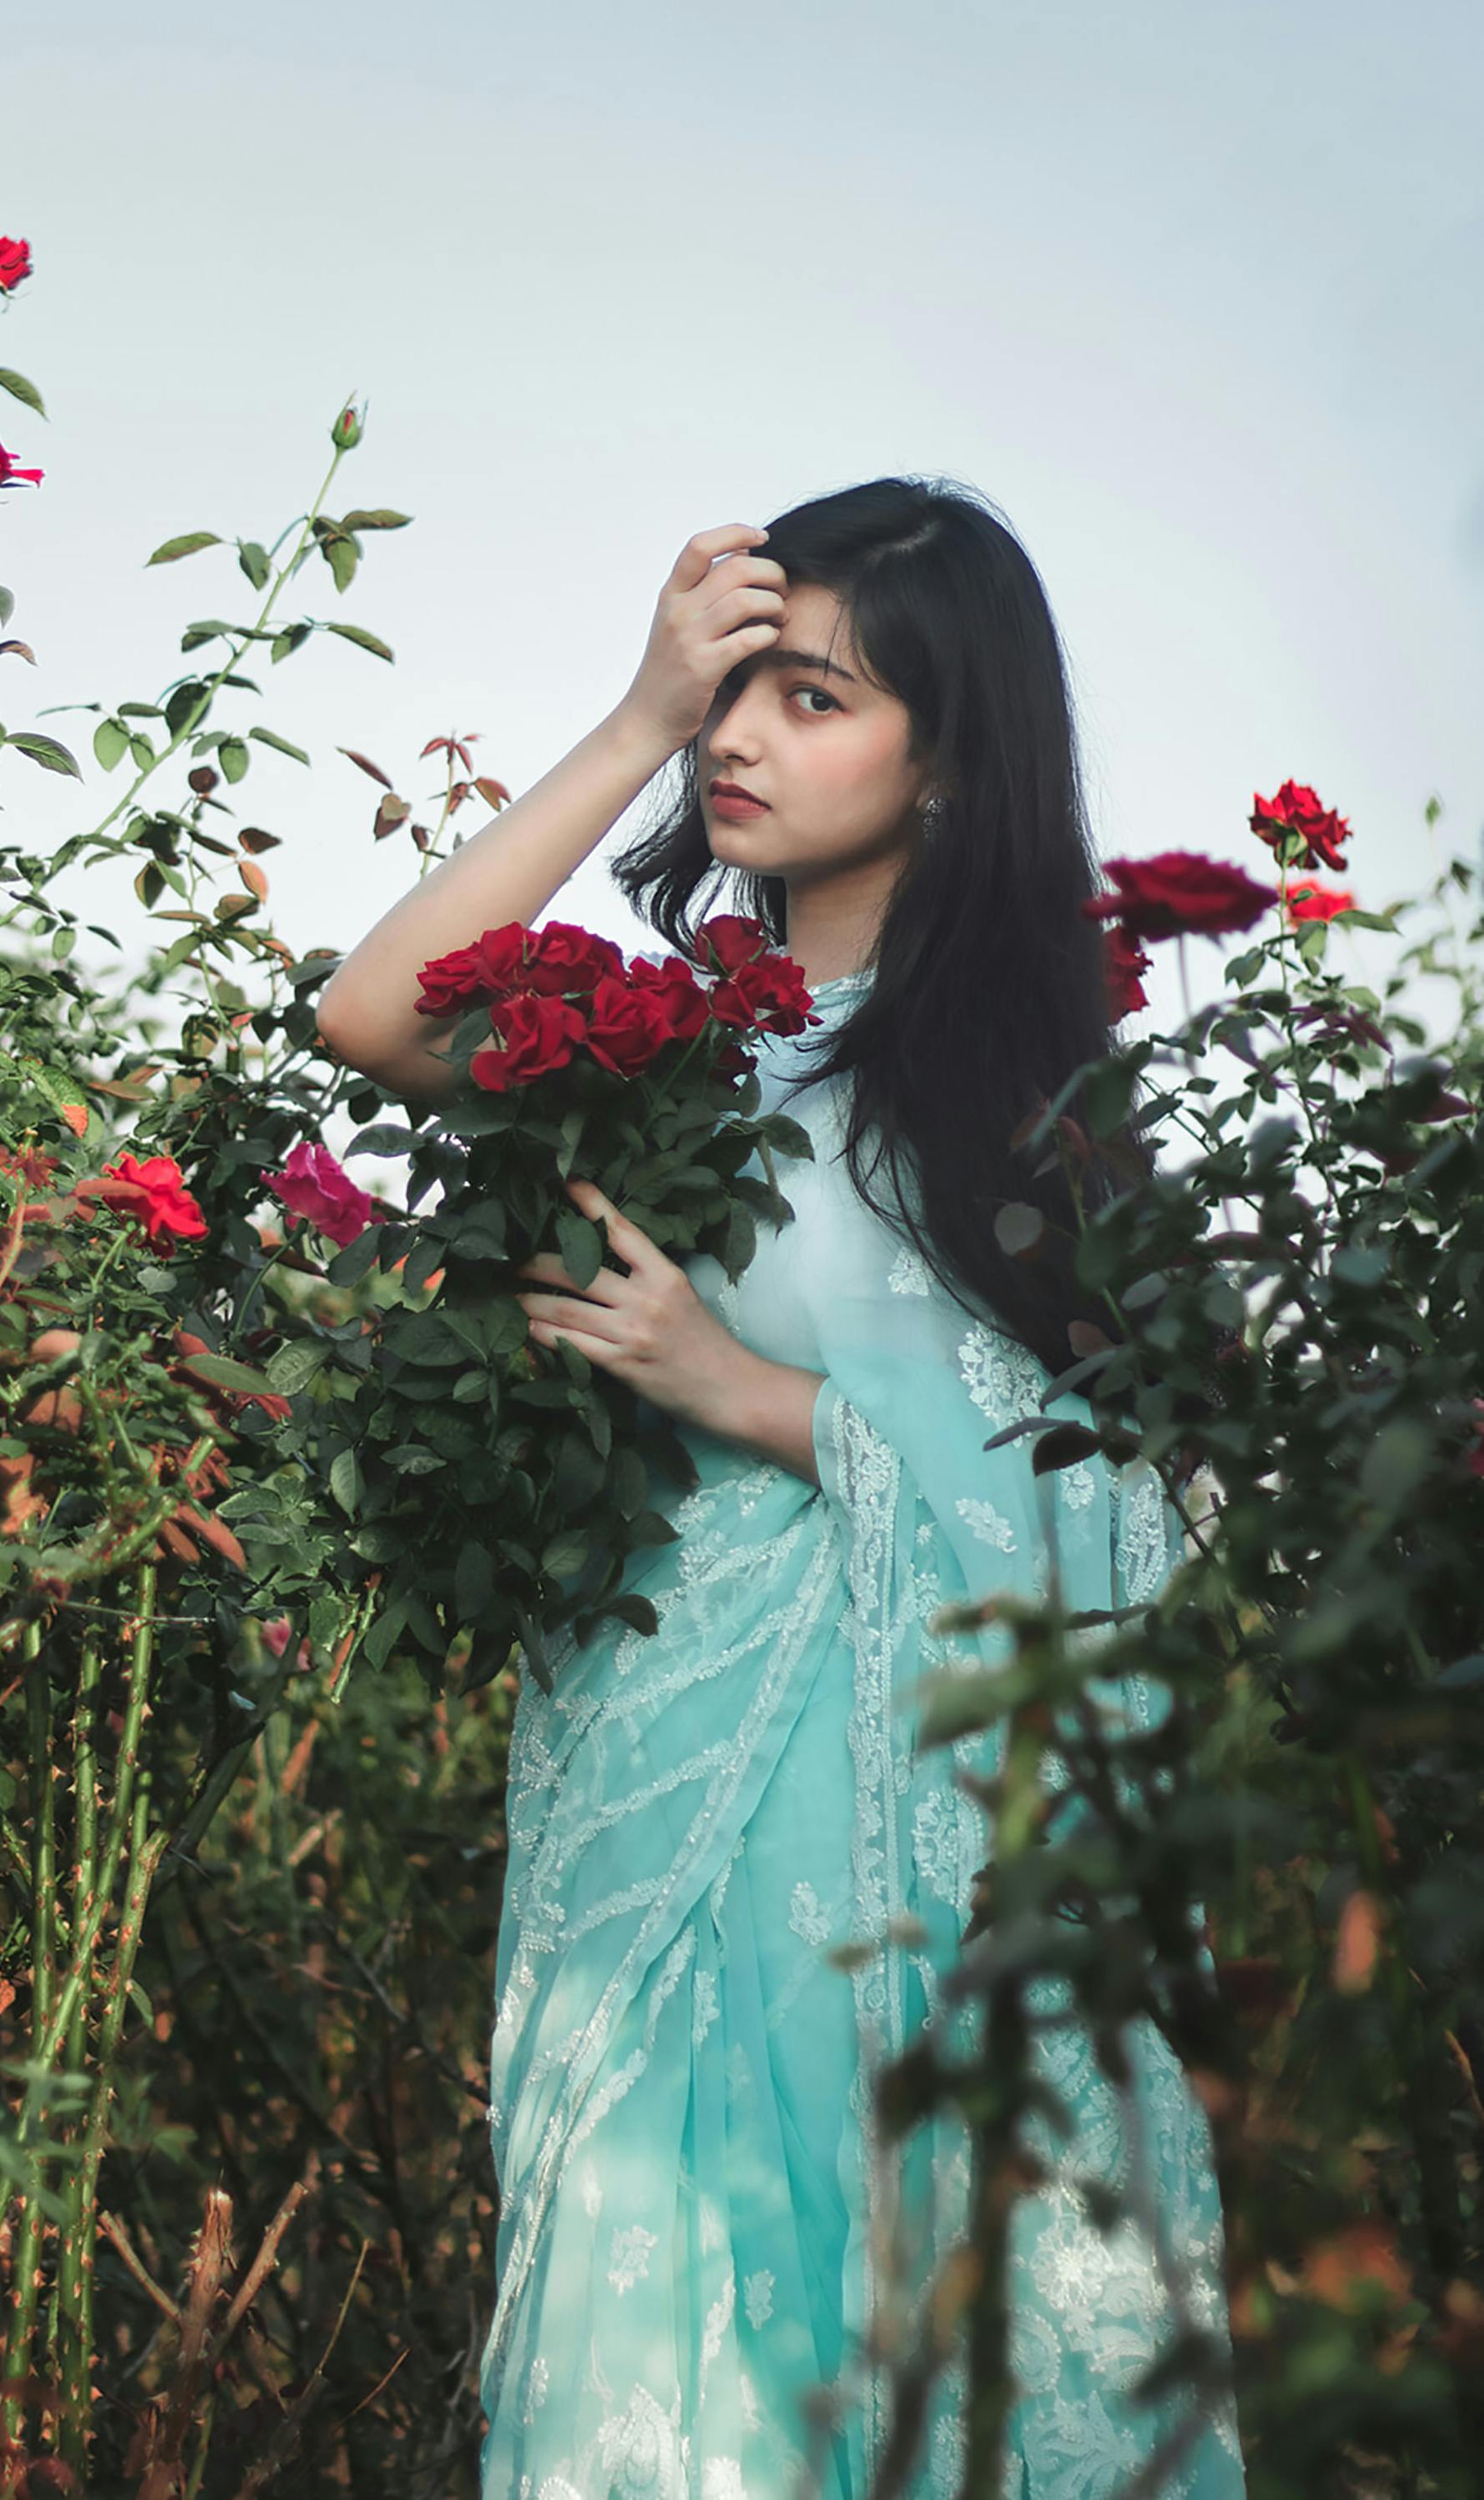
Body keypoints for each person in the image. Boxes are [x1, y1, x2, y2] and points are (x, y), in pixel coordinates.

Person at [316, 481, 1243, 2500]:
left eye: (807, 697)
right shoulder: (658, 1059)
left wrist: (755, 1396)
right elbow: (373, 1015)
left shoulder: (1024, 1109)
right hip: (645, 1820)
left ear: (947, 762)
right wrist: (636, 712)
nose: (743, 736)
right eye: (739, 685)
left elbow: (1129, 1520)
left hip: (897, 1856)